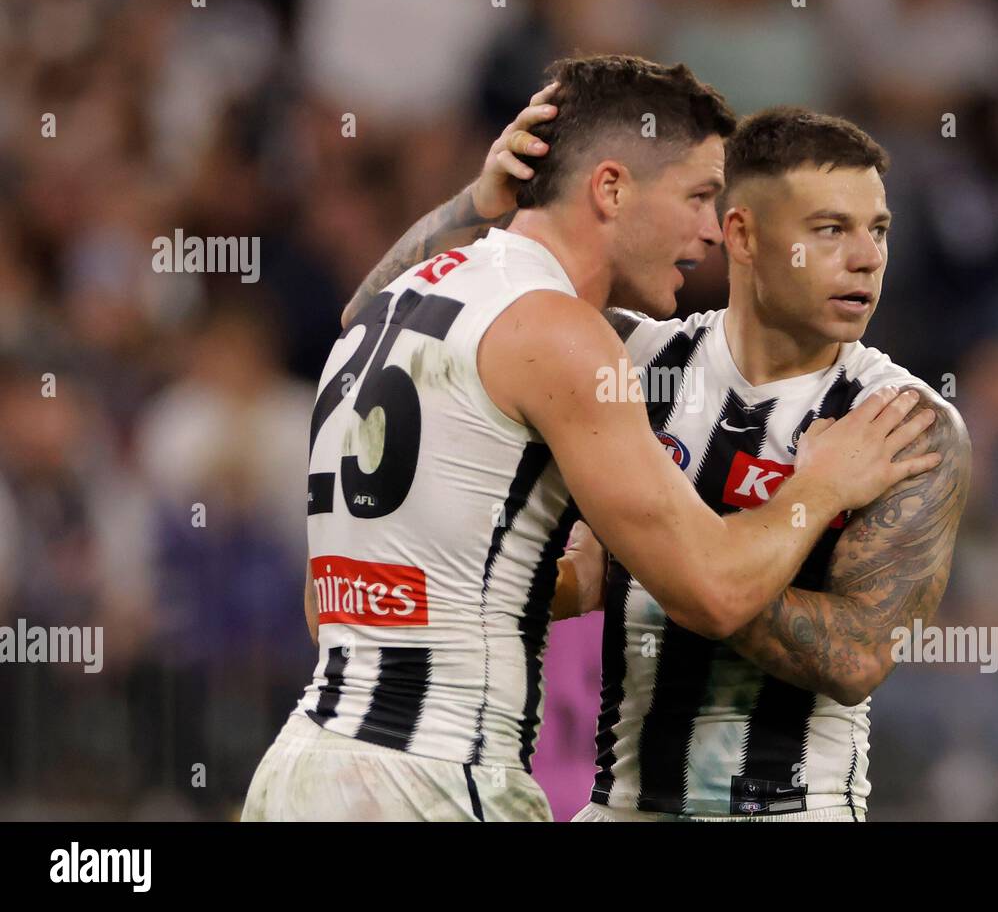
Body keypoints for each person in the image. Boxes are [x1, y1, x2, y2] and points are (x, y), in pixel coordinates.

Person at [241, 55, 940, 822]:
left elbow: (358, 315)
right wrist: (822, 484)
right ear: (610, 188)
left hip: (303, 767)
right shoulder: (565, 335)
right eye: (697, 196)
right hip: (438, 779)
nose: (711, 230)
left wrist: (477, 202)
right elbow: (712, 590)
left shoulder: (393, 305)